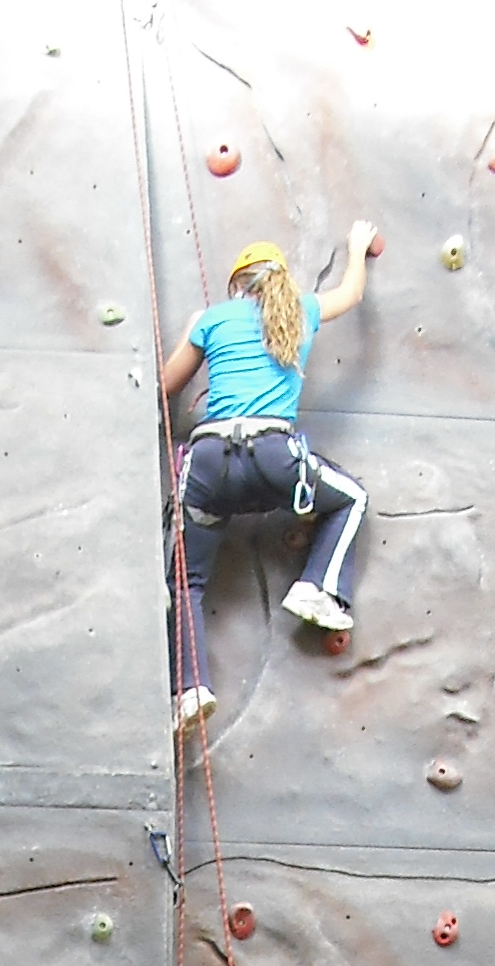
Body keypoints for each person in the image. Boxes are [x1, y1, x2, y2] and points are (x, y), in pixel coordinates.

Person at [159, 226, 378, 734]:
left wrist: (193, 329)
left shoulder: (213, 320)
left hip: (211, 464)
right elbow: (351, 292)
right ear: (280, 281)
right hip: (275, 460)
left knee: (186, 580)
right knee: (350, 498)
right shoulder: (301, 309)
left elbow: (165, 387)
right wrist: (356, 250)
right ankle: (318, 588)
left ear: (238, 286)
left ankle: (190, 688)